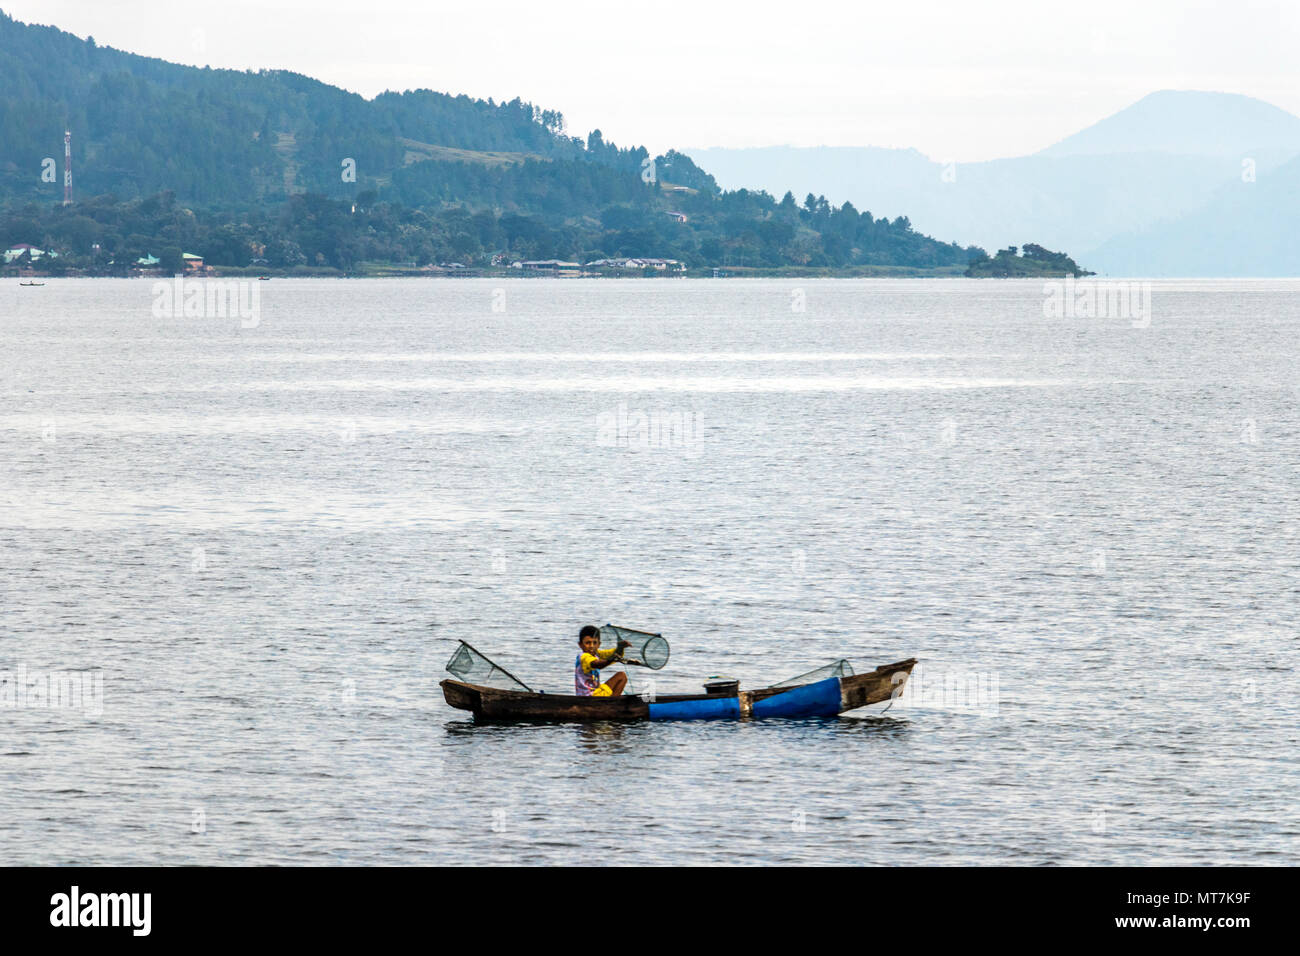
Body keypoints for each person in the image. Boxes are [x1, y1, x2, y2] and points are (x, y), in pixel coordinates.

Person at [574, 625, 629, 697]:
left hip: (595, 694)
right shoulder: (583, 656)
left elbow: (612, 653)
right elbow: (596, 664)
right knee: (621, 676)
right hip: (590, 696)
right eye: (588, 643)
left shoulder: (597, 654)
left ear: (599, 644)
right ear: (580, 645)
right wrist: (610, 660)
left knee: (622, 677)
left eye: (594, 643)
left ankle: (612, 702)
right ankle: (613, 703)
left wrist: (620, 647)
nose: (591, 646)